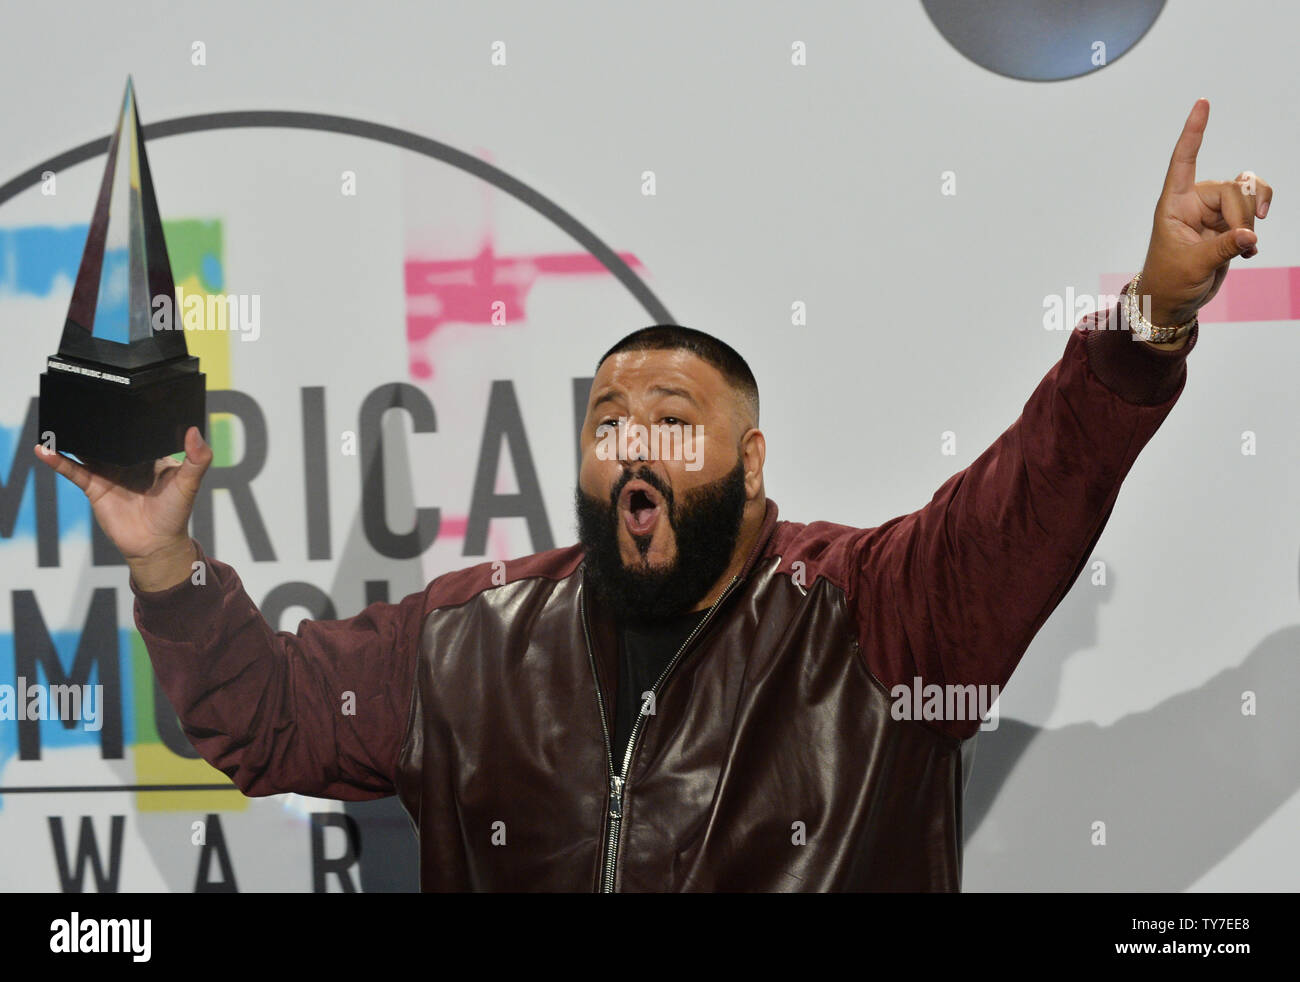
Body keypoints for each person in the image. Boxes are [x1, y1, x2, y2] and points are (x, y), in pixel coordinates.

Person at [36, 100, 1272, 891]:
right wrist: (165, 558)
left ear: (752, 464)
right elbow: (264, 719)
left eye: (674, 425)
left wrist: (1148, 319)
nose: (633, 446)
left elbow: (1039, 489)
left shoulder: (880, 617)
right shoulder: (464, 645)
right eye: (607, 421)